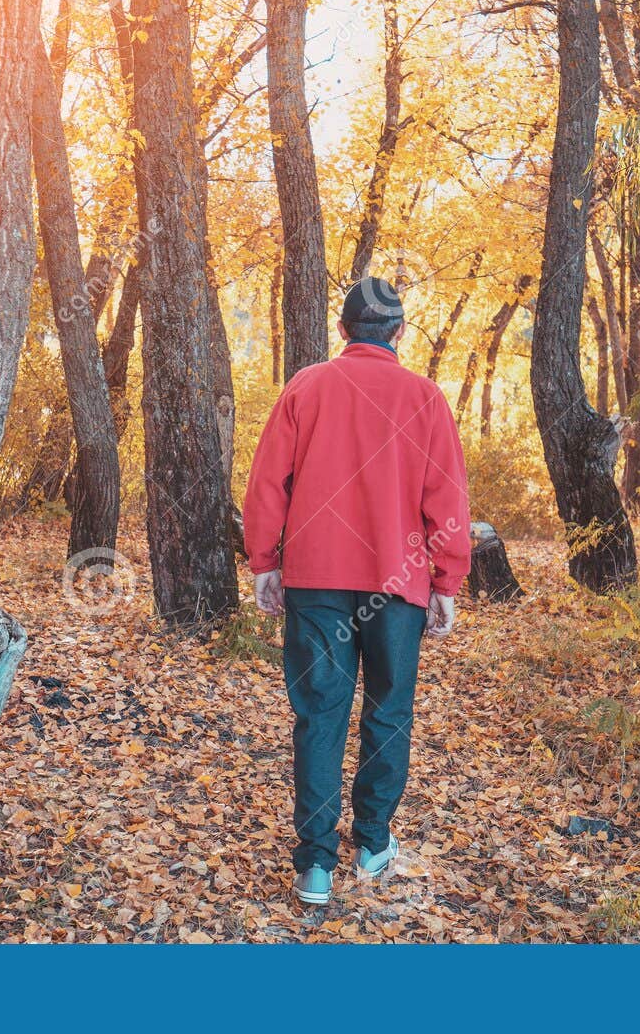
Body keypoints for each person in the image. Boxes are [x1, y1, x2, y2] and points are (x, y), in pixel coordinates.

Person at [242, 276, 471, 905]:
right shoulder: (425, 397)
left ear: (342, 330)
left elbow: (268, 482)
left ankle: (315, 865)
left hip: (315, 578)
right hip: (399, 583)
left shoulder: (306, 387)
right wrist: (447, 579)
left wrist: (265, 561)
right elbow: (446, 496)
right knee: (389, 708)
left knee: (320, 712)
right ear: (398, 333)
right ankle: (372, 842)